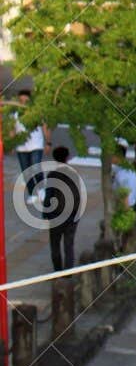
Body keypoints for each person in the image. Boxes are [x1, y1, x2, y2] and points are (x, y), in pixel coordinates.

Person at [44, 145, 83, 273]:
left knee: (55, 245)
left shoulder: (52, 175)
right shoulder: (73, 174)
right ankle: (68, 273)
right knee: (69, 244)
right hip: (72, 215)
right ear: (67, 158)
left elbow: (48, 196)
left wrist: (45, 214)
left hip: (56, 216)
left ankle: (57, 271)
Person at [12, 89, 49, 205]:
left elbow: (45, 127)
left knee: (36, 168)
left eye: (25, 99)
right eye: (21, 100)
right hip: (21, 147)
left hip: (36, 145)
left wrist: (48, 142)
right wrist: (11, 143)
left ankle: (41, 189)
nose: (23, 102)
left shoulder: (37, 112)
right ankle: (32, 194)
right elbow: (13, 131)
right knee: (26, 172)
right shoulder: (15, 114)